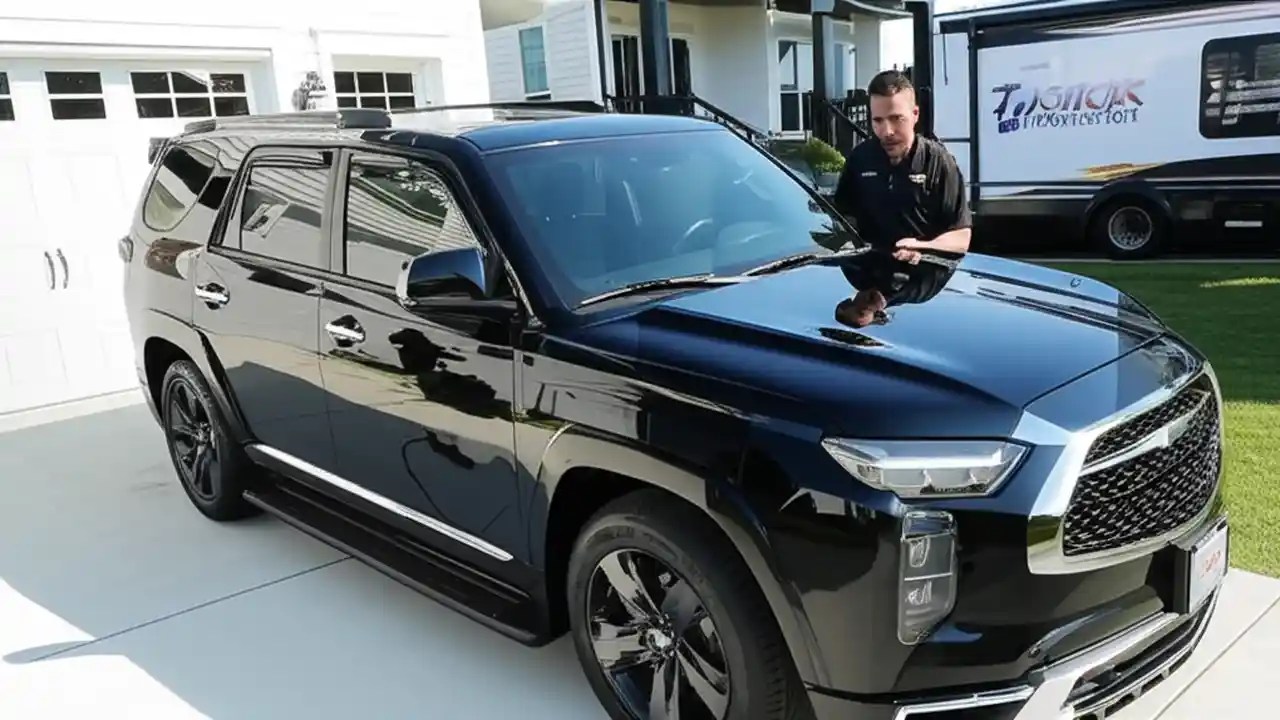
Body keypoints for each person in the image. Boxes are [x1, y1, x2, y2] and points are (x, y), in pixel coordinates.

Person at [831, 70, 972, 265]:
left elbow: (960, 237)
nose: (887, 131)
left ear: (915, 115)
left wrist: (921, 247)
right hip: (870, 282)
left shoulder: (938, 162)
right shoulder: (859, 160)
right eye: (878, 121)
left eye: (896, 118)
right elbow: (841, 221)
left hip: (923, 280)